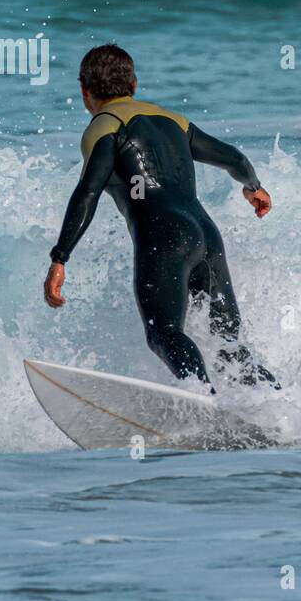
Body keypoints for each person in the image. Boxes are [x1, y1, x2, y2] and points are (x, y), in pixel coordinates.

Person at [43, 44, 277, 388]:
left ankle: (204, 400)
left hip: (164, 235)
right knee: (230, 343)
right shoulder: (174, 121)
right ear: (134, 84)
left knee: (163, 332)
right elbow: (235, 159)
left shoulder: (104, 127)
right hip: (207, 235)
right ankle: (278, 408)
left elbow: (88, 192)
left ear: (84, 90)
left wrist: (60, 257)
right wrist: (253, 186)